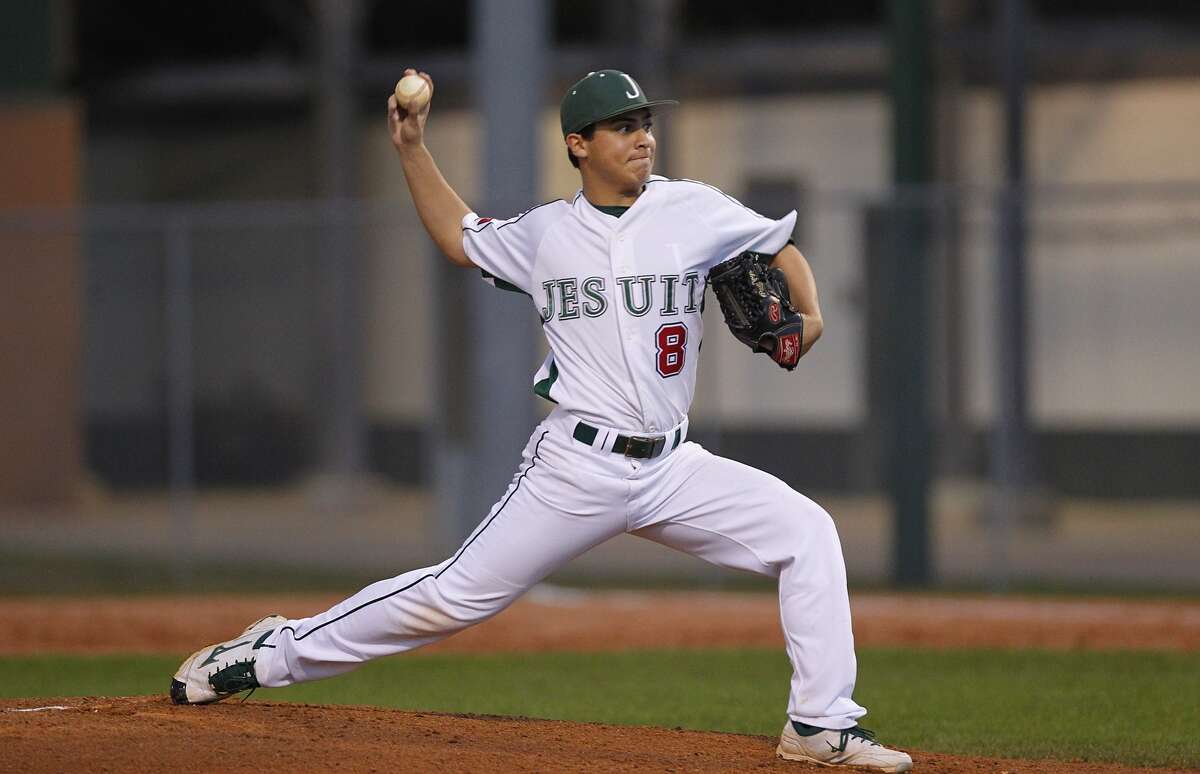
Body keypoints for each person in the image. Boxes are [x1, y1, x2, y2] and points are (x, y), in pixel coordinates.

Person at [169, 68, 913, 772]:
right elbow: (459, 235)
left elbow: (779, 245)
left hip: (673, 468)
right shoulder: (546, 233)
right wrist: (411, 146)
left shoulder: (694, 208)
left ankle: (820, 724)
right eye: (622, 126)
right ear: (578, 144)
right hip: (577, 465)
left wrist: (807, 316)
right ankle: (271, 653)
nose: (643, 137)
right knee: (454, 597)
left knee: (806, 532)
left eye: (646, 122)